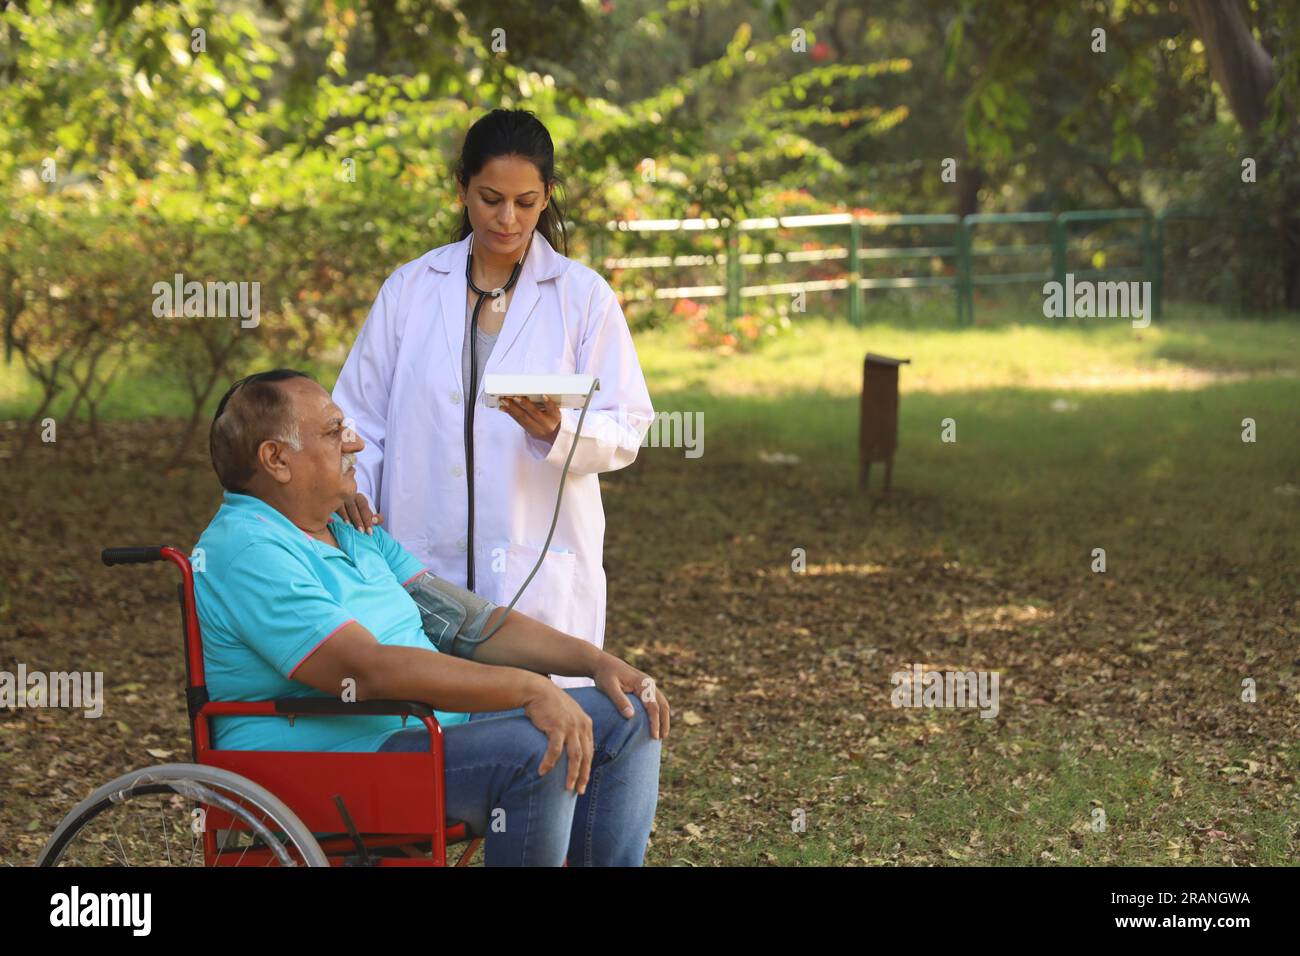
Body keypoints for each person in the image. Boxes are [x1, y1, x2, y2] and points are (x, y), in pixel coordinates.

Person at [193, 369, 669, 866]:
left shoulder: (350, 529)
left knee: (628, 714)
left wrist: (594, 662)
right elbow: (365, 670)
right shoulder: (247, 548)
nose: (354, 442)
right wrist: (530, 689)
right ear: (276, 459)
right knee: (539, 745)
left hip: (423, 734)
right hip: (335, 763)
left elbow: (470, 625)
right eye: (334, 432)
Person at [331, 108, 654, 689]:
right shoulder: (410, 289)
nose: (508, 218)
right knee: (436, 724)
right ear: (461, 189)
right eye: (489, 198)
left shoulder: (582, 298)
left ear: (547, 196)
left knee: (541, 730)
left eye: (526, 202)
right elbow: (359, 415)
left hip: (535, 559)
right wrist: (350, 485)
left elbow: (628, 423)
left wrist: (557, 432)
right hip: (418, 552)